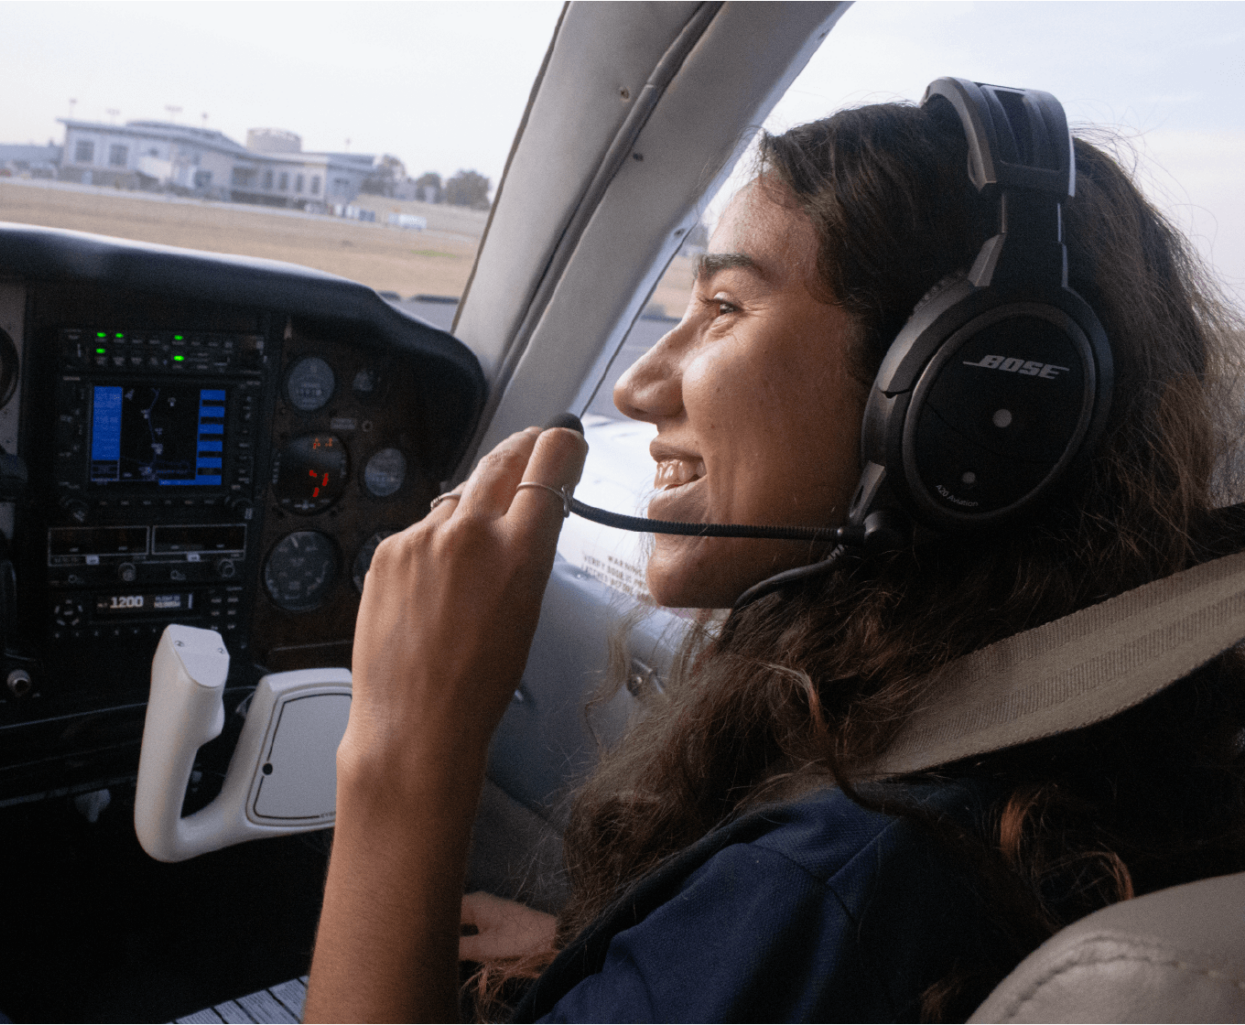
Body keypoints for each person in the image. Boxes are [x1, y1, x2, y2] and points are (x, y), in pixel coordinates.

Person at [302, 89, 1245, 1025]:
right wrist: (626, 969)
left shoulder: (833, 882)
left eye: (721, 306)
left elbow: (820, 929)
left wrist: (402, 747)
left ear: (952, 400)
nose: (635, 385)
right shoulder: (1090, 755)